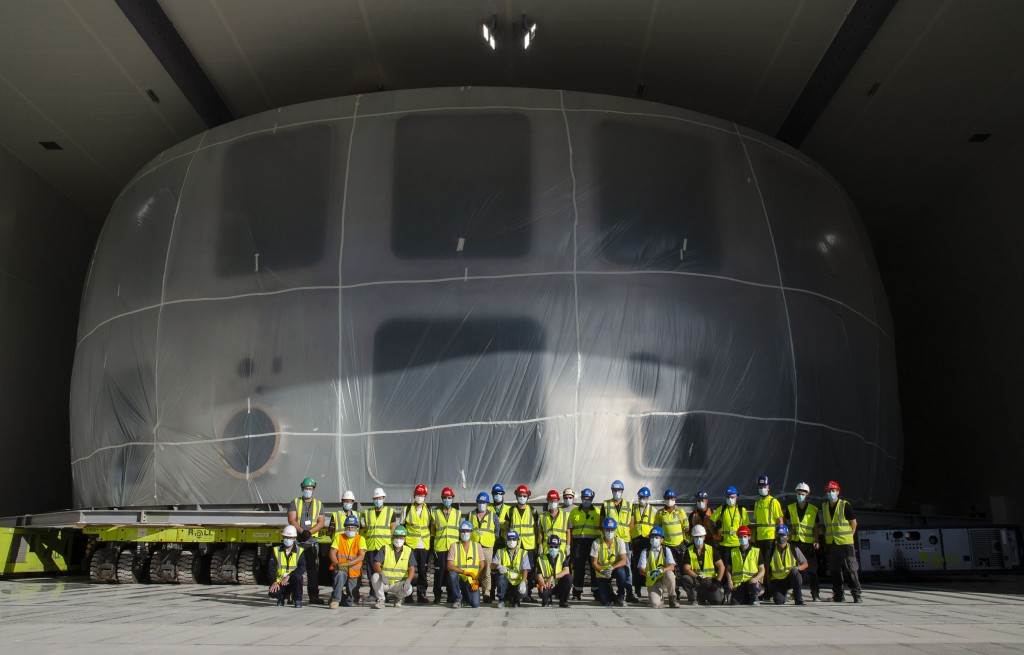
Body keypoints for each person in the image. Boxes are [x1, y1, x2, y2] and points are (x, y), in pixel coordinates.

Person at [287, 476, 325, 604]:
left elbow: (321, 522)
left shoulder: (319, 504)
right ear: (302, 488)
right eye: (306, 488)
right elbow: (292, 519)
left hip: (312, 541)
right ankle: (294, 595)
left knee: (313, 570)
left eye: (310, 488)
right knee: (295, 568)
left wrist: (309, 532)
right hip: (297, 540)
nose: (308, 490)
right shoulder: (295, 502)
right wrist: (301, 531)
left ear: (313, 489)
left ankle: (313, 596)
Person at [822, 480, 861, 603]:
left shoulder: (845, 505)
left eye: (833, 490)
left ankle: (856, 594)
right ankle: (839, 595)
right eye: (828, 491)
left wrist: (850, 536)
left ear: (838, 492)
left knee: (850, 569)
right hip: (832, 543)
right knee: (835, 570)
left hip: (846, 544)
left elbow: (853, 523)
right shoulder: (824, 506)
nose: (830, 493)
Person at [602, 480, 637, 603]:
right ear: (612, 491)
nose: (617, 492)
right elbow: (602, 521)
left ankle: (629, 593)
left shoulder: (628, 505)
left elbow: (632, 523)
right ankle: (610, 592)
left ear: (622, 491)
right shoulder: (606, 504)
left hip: (625, 540)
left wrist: (626, 533)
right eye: (614, 490)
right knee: (608, 563)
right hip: (610, 540)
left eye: (619, 490)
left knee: (626, 567)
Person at [786, 481, 821, 601]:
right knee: (797, 570)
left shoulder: (813, 509)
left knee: (812, 570)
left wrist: (816, 540)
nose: (801, 494)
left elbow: (816, 527)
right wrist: (789, 534)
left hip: (808, 543)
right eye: (799, 493)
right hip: (796, 543)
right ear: (796, 493)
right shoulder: (790, 508)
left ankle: (815, 594)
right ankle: (796, 592)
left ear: (807, 494)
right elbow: (785, 524)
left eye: (803, 493)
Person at [361, 487, 395, 603]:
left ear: (383, 498)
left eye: (379, 498)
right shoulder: (366, 513)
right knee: (371, 571)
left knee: (384, 570)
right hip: (370, 545)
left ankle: (384, 593)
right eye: (375, 498)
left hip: (384, 546)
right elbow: (363, 530)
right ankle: (373, 593)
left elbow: (393, 529)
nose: (377, 500)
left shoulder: (390, 512)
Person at [654, 488, 689, 599]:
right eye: (667, 498)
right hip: (667, 546)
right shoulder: (660, 513)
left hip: (679, 545)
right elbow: (657, 529)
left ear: (675, 499)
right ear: (664, 499)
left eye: (672, 498)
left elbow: (686, 527)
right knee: (671, 569)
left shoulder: (680, 512)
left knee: (681, 569)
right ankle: (675, 591)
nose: (670, 500)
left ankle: (688, 591)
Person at [369, 525, 415, 609]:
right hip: (385, 582)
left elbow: (411, 568)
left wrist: (408, 580)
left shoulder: (408, 550)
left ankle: (398, 598)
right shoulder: (385, 548)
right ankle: (381, 600)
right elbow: (376, 563)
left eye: (401, 537)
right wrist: (381, 574)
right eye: (397, 537)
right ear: (393, 537)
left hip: (398, 584)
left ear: (405, 539)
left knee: (409, 589)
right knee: (375, 577)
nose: (398, 539)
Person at [679, 524, 725, 605]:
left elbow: (721, 566)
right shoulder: (689, 550)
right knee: (685, 578)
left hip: (710, 581)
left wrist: (717, 582)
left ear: (704, 537)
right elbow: (686, 568)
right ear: (693, 537)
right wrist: (697, 577)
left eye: (700, 536)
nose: (698, 539)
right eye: (696, 537)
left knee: (717, 601)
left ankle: (711, 594)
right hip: (697, 580)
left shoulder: (711, 549)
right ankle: (694, 598)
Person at [568, 487, 601, 601]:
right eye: (584, 498)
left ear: (592, 499)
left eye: (589, 498)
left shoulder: (597, 512)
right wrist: (569, 544)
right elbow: (570, 529)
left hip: (593, 543)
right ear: (581, 499)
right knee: (579, 568)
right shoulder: (574, 512)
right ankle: (577, 592)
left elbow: (601, 528)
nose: (586, 500)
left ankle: (596, 592)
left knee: (594, 568)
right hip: (578, 543)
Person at [508, 484, 538, 602]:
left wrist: (537, 544)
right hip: (514, 546)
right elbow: (506, 528)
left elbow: (536, 528)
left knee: (529, 571)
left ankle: (527, 594)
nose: (522, 497)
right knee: (514, 569)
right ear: (516, 495)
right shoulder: (511, 511)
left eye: (524, 495)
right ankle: (513, 594)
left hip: (529, 545)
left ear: (528, 496)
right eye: (520, 495)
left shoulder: (533, 511)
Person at [431, 486, 461, 604]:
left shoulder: (458, 514)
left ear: (452, 498)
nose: (447, 500)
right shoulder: (435, 513)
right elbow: (433, 531)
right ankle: (437, 596)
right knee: (439, 573)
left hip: (453, 547)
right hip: (440, 547)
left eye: (449, 497)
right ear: (442, 499)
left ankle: (450, 595)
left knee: (451, 573)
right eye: (445, 498)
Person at [403, 483, 432, 604]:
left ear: (425, 496)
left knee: (422, 570)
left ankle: (421, 594)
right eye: (418, 494)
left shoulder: (429, 509)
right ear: (414, 495)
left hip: (424, 544)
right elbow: (402, 526)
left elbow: (431, 526)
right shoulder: (407, 509)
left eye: (422, 495)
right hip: (410, 544)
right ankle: (408, 594)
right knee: (409, 569)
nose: (419, 497)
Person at [591, 517, 630, 607]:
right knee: (605, 601)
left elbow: (624, 560)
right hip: (602, 572)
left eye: (612, 530)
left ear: (615, 530)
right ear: (603, 530)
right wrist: (602, 570)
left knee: (622, 572)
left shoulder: (620, 542)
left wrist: (612, 567)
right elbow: (594, 563)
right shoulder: (596, 543)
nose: (609, 532)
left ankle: (621, 596)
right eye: (607, 529)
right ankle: (611, 594)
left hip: (614, 569)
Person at [328, 515, 365, 608]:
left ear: (356, 528)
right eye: (348, 527)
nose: (350, 529)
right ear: (345, 527)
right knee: (340, 575)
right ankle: (335, 599)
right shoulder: (339, 537)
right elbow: (332, 552)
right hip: (341, 567)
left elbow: (361, 556)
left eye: (352, 527)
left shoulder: (361, 539)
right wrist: (337, 564)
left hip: (354, 571)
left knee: (351, 603)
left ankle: (347, 598)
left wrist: (348, 564)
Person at [448, 520, 486, 608]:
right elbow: (449, 565)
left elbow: (482, 564)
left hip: (472, 579)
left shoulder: (477, 546)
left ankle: (465, 598)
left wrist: (476, 579)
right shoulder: (454, 546)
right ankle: (458, 599)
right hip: (460, 578)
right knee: (452, 574)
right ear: (459, 532)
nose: (465, 533)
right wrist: (466, 573)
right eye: (463, 531)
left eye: (467, 531)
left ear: (471, 532)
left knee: (475, 604)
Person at [765, 525, 808, 605]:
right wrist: (769, 587)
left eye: (783, 535)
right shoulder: (770, 550)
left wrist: (797, 568)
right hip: (777, 581)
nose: (781, 538)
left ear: (787, 536)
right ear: (775, 536)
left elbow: (805, 564)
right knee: (779, 601)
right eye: (779, 535)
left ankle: (798, 598)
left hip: (790, 578)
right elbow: (767, 570)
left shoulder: (793, 548)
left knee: (796, 573)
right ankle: (782, 594)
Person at [637, 526, 678, 608]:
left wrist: (662, 570)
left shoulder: (666, 550)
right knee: (655, 604)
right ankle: (659, 597)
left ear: (662, 539)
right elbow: (641, 569)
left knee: (670, 574)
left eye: (656, 537)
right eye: (652, 537)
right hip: (653, 581)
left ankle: (672, 598)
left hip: (664, 578)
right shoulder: (645, 551)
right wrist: (649, 574)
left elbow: (672, 566)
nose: (654, 539)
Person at [470, 491, 498, 604]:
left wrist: (491, 539)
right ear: (477, 503)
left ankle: (486, 593)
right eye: (480, 502)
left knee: (487, 570)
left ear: (487, 504)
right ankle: (473, 591)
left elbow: (497, 530)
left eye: (484, 502)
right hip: (474, 546)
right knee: (474, 570)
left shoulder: (493, 515)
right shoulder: (471, 514)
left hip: (487, 546)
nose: (482, 504)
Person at [268, 525, 306, 607]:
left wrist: (289, 576)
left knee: (298, 577)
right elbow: (271, 568)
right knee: (272, 592)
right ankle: (281, 598)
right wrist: (274, 581)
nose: (288, 539)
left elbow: (302, 567)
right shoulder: (276, 550)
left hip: (293, 579)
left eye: (290, 537)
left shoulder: (300, 551)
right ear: (283, 537)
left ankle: (297, 599)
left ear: (294, 539)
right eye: (286, 537)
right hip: (280, 580)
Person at [726, 525, 764, 605]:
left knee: (753, 586)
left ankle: (755, 598)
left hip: (752, 583)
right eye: (740, 537)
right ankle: (746, 598)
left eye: (745, 536)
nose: (742, 539)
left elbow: (762, 570)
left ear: (749, 537)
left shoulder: (756, 551)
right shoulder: (733, 552)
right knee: (734, 603)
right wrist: (730, 581)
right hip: (739, 584)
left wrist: (756, 578)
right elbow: (728, 569)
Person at [492, 530, 531, 608]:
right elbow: (492, 565)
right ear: (506, 541)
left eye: (514, 539)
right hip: (506, 580)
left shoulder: (523, 553)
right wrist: (499, 566)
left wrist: (523, 581)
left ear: (517, 541)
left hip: (517, 581)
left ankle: (516, 600)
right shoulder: (500, 551)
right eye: (509, 539)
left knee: (523, 591)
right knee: (500, 577)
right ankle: (501, 600)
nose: (511, 541)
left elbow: (525, 569)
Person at [629, 486, 655, 601]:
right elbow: (630, 524)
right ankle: (637, 589)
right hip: (636, 540)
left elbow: (656, 525)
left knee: (647, 564)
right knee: (636, 566)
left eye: (644, 497)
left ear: (648, 498)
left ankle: (649, 587)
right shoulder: (633, 509)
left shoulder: (653, 511)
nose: (642, 499)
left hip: (648, 540)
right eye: (640, 497)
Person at [711, 486, 748, 565]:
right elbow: (711, 521)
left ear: (737, 497)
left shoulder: (742, 510)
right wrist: (715, 534)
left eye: (732, 497)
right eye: (728, 497)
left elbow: (746, 528)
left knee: (737, 565)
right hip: (724, 544)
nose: (730, 499)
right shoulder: (722, 509)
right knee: (726, 566)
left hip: (738, 544)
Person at [752, 474, 784, 559]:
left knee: (767, 562)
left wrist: (780, 538)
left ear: (768, 487)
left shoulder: (774, 502)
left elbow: (780, 521)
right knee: (760, 563)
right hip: (759, 537)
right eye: (760, 486)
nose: (762, 488)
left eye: (764, 486)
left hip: (770, 537)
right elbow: (756, 522)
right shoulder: (757, 503)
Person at [535, 534, 572, 607]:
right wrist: (542, 583)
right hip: (547, 585)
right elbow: (539, 575)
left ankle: (563, 601)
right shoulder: (541, 558)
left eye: (556, 547)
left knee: (569, 578)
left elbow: (566, 571)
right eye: (551, 546)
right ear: (548, 547)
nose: (553, 548)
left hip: (559, 585)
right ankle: (547, 599)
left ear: (559, 547)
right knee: (544, 597)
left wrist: (553, 577)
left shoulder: (562, 556)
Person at [538, 489, 570, 558]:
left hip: (561, 548)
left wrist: (568, 546)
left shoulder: (566, 515)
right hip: (547, 548)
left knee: (562, 568)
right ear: (548, 501)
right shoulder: (542, 516)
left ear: (558, 501)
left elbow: (568, 532)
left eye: (555, 501)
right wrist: (540, 545)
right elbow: (540, 533)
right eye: (551, 501)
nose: (553, 503)